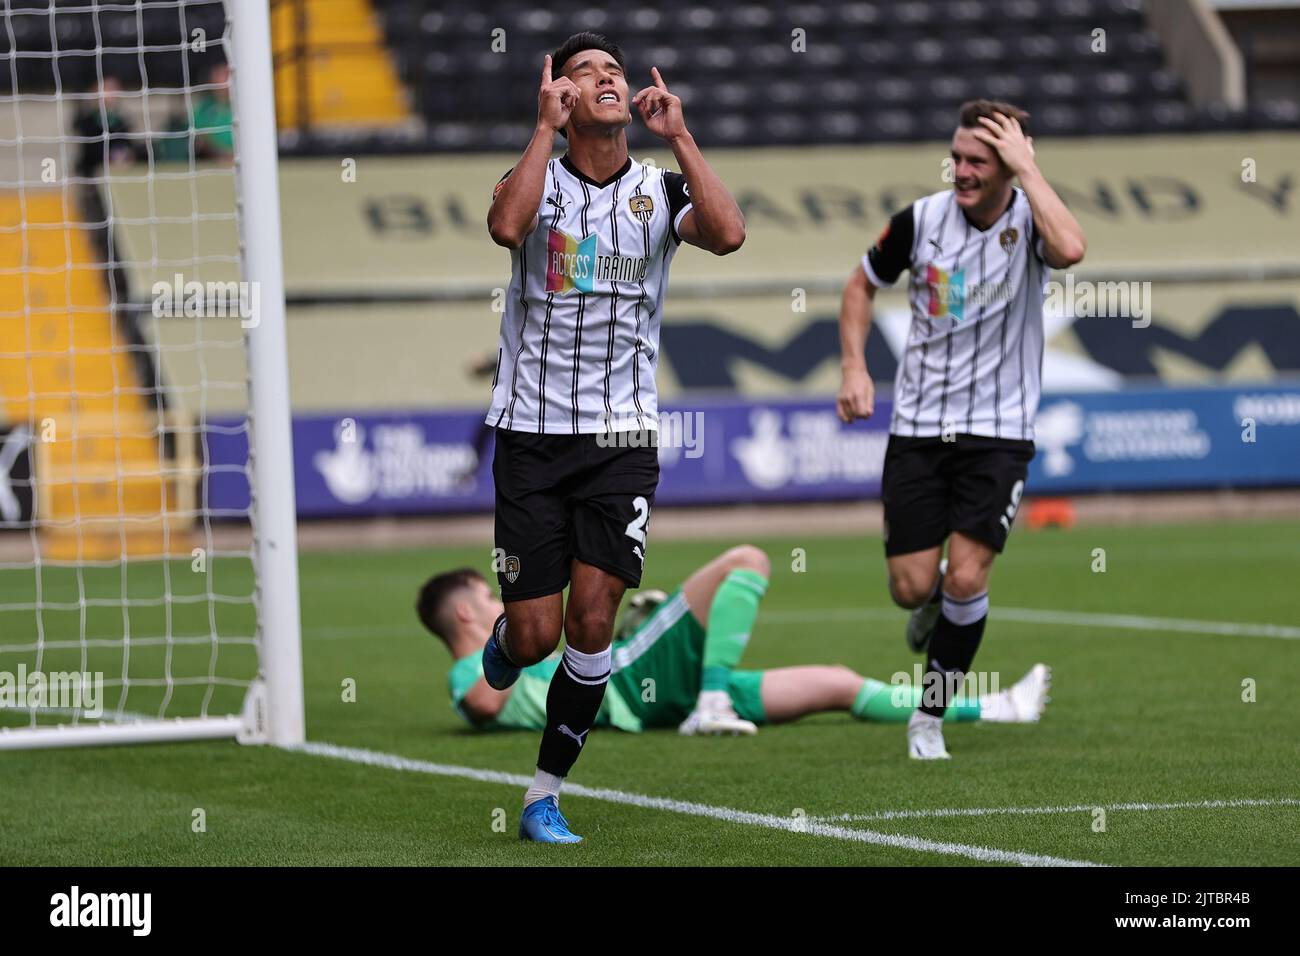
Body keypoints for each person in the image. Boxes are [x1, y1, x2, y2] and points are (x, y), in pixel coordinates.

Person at [480, 32, 744, 843]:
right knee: (536, 637)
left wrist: (683, 136)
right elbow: (505, 228)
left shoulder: (661, 194)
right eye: (582, 73)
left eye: (613, 72)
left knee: (593, 622)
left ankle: (542, 795)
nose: (602, 79)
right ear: (558, 96)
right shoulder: (533, 179)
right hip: (530, 436)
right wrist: (540, 131)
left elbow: (729, 234)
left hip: (623, 440)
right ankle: (506, 634)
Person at [836, 100, 1085, 760]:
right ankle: (934, 598)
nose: (962, 170)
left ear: (1010, 163)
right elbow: (860, 286)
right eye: (958, 157)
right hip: (918, 428)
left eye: (978, 160)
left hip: (998, 433)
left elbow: (1072, 249)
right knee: (911, 589)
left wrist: (1029, 170)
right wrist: (855, 367)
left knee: (969, 580)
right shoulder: (920, 221)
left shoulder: (1033, 220)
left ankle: (929, 717)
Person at [416, 546, 1050, 751]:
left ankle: (987, 707)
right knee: (748, 560)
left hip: (649, 691)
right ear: (470, 611)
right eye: (492, 596)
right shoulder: (464, 676)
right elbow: (485, 701)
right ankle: (715, 697)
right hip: (635, 677)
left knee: (835, 681)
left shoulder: (507, 655)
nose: (508, 604)